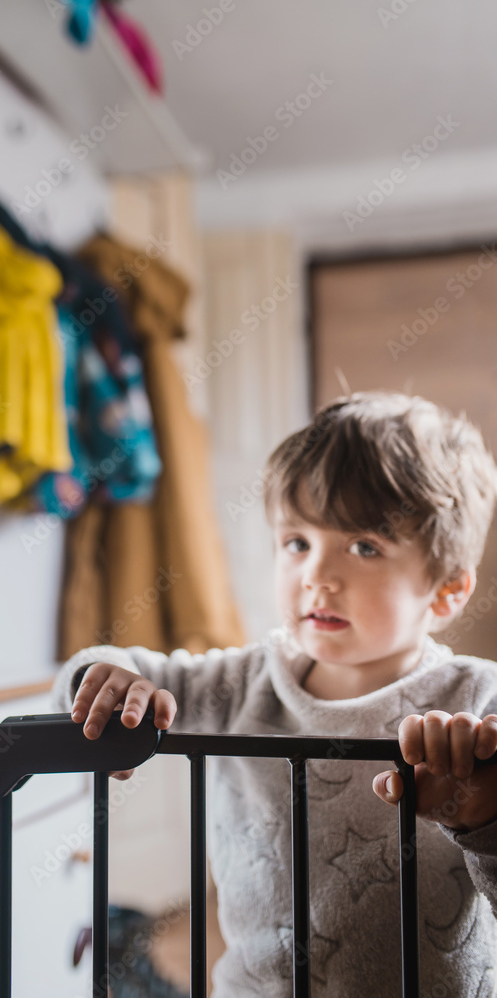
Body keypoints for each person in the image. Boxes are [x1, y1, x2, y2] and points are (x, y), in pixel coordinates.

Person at [52, 391, 497, 997]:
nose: (316, 574)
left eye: (364, 546)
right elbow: (100, 667)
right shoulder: (244, 681)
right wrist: (104, 679)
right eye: (297, 542)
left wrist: (483, 819)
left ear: (446, 591)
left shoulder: (478, 702)